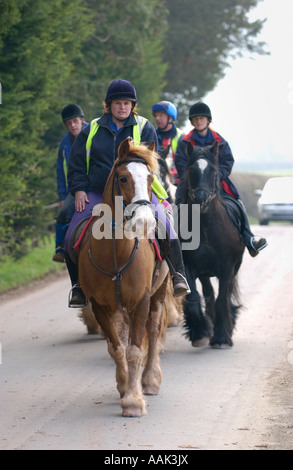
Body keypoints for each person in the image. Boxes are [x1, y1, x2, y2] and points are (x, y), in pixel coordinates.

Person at [65, 79, 190, 307]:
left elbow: (154, 165)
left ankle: (177, 275)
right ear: (108, 105)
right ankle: (78, 287)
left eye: (126, 103)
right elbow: (75, 163)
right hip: (98, 192)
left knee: (166, 225)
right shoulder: (91, 129)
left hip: (137, 190)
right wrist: (79, 189)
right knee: (70, 235)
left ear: (133, 105)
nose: (122, 107)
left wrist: (157, 195)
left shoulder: (144, 127)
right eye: (117, 103)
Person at [175, 102, 268, 257]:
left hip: (217, 183)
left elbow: (227, 161)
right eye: (196, 119)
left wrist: (216, 176)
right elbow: (180, 162)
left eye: (202, 118)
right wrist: (194, 177)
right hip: (192, 185)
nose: (199, 121)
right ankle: (174, 247)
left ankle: (249, 238)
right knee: (177, 208)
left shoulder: (220, 141)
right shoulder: (185, 142)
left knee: (237, 203)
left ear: (208, 120)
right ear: (192, 122)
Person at [52, 104, 88, 262]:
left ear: (82, 120)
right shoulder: (64, 144)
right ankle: (60, 246)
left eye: (75, 121)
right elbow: (60, 170)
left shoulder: (92, 134)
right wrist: (62, 195)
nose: (73, 125)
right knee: (63, 213)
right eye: (69, 123)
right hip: (73, 189)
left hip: (94, 185)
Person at [152, 100, 184, 186]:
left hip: (177, 183)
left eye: (161, 115)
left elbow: (184, 163)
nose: (157, 118)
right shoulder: (150, 135)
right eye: (156, 115)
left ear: (170, 118)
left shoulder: (182, 137)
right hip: (154, 181)